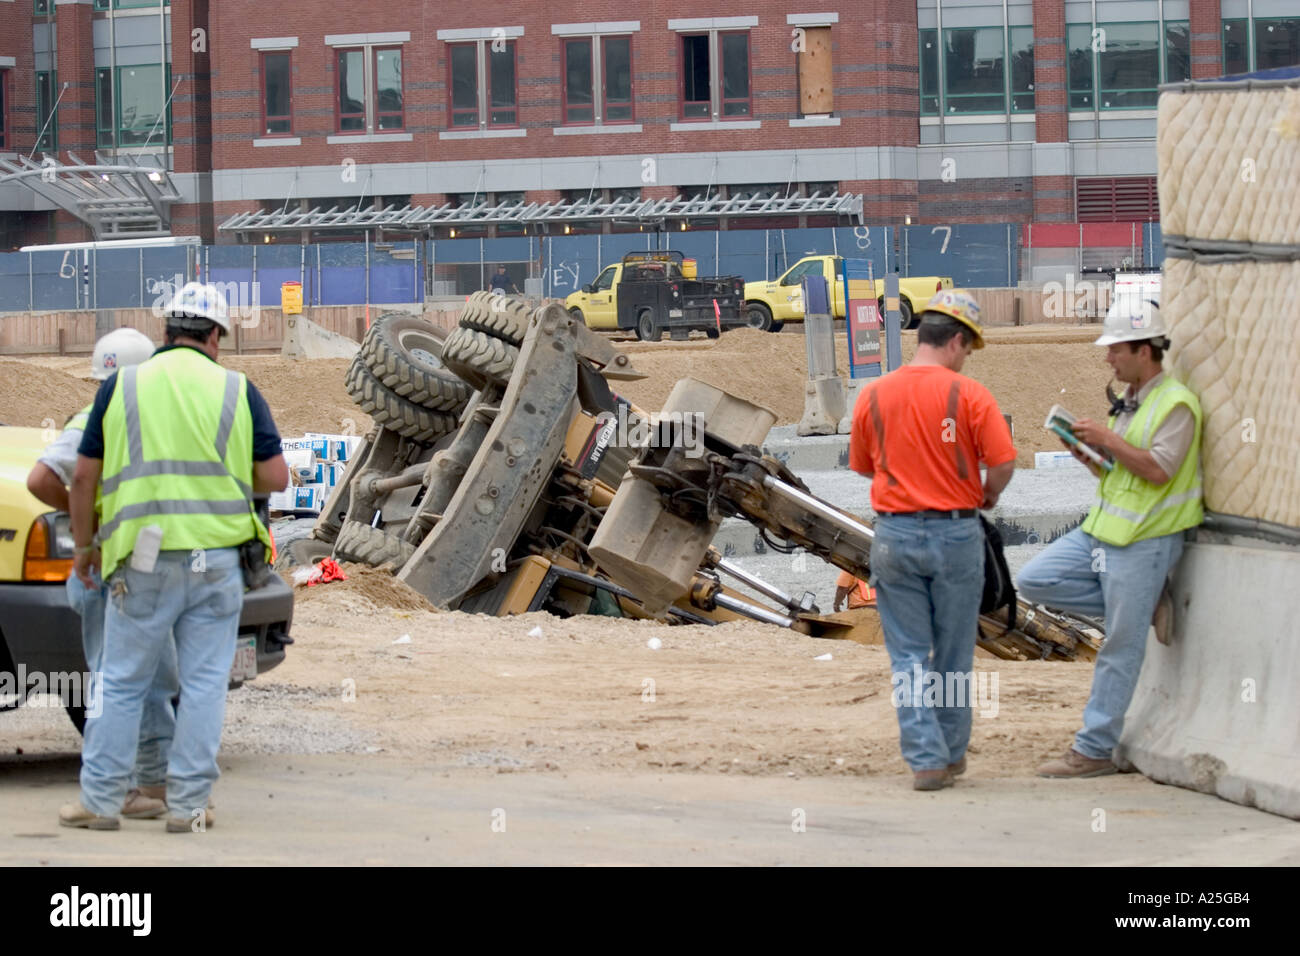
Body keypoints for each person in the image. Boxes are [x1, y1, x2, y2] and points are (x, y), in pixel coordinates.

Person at [60, 283, 289, 832]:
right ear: (215, 337)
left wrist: (87, 549)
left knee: (119, 681)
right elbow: (276, 476)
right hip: (217, 564)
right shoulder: (238, 389)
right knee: (206, 684)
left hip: (140, 562)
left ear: (165, 333)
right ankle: (188, 807)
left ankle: (100, 802)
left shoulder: (122, 386)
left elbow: (83, 477)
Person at [1018, 300, 1202, 779]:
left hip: (1145, 540)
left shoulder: (1177, 404)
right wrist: (1087, 455)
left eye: (1115, 349)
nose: (1108, 359)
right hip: (1103, 533)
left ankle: (1093, 751)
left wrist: (1108, 438)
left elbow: (1159, 470)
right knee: (1036, 579)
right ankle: (1144, 604)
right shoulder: (1134, 400)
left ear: (1145, 350)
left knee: (1120, 646)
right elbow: (1120, 475)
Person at [849, 289, 1016, 791]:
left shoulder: (873, 394)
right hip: (957, 535)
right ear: (957, 341)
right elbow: (1003, 462)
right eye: (968, 348)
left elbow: (862, 466)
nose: (967, 358)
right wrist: (986, 495)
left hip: (895, 535)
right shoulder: (970, 395)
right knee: (954, 652)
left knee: (907, 655)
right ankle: (951, 751)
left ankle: (925, 759)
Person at [27, 328, 177, 820]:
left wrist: (87, 522)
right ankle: (139, 786)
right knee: (143, 679)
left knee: (127, 680)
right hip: (133, 567)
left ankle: (134, 789)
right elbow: (44, 479)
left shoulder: (96, 415)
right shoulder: (131, 419)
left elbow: (45, 480)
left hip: (117, 566)